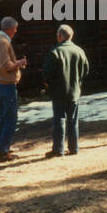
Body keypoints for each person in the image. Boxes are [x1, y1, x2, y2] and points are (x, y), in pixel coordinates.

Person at [42, 24, 89, 159]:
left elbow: (46, 73)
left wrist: (48, 84)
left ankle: (58, 150)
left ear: (60, 36)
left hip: (58, 93)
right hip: (74, 92)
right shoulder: (79, 51)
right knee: (73, 120)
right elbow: (86, 71)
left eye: (57, 34)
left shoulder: (55, 52)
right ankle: (74, 148)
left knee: (59, 120)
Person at [0, 16, 27, 164]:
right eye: (15, 28)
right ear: (10, 29)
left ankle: (4, 147)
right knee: (10, 119)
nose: (16, 31)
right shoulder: (3, 42)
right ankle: (3, 152)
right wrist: (20, 63)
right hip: (6, 85)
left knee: (4, 118)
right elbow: (5, 65)